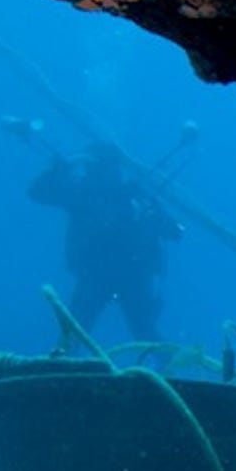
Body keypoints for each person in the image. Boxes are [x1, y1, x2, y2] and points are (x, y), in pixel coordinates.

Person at [29, 141, 180, 342]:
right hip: (96, 275)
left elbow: (174, 231)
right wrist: (61, 169)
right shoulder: (83, 193)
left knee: (142, 332)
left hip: (130, 275)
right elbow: (37, 192)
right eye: (92, 168)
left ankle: (164, 365)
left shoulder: (132, 196)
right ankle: (162, 363)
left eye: (97, 168)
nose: (94, 173)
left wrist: (147, 215)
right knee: (74, 333)